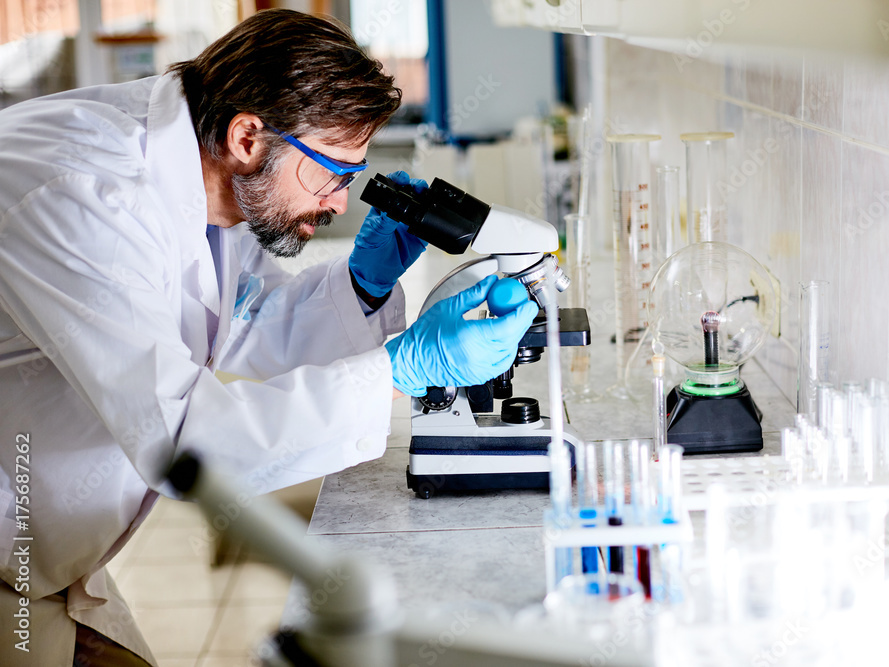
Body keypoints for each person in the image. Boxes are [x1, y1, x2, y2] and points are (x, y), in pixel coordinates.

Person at [0, 9, 537, 666]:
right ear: (249, 136)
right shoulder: (83, 196)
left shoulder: (208, 170)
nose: (342, 202)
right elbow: (186, 441)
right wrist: (400, 369)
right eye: (334, 175)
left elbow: (239, 326)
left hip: (51, 557)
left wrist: (360, 288)